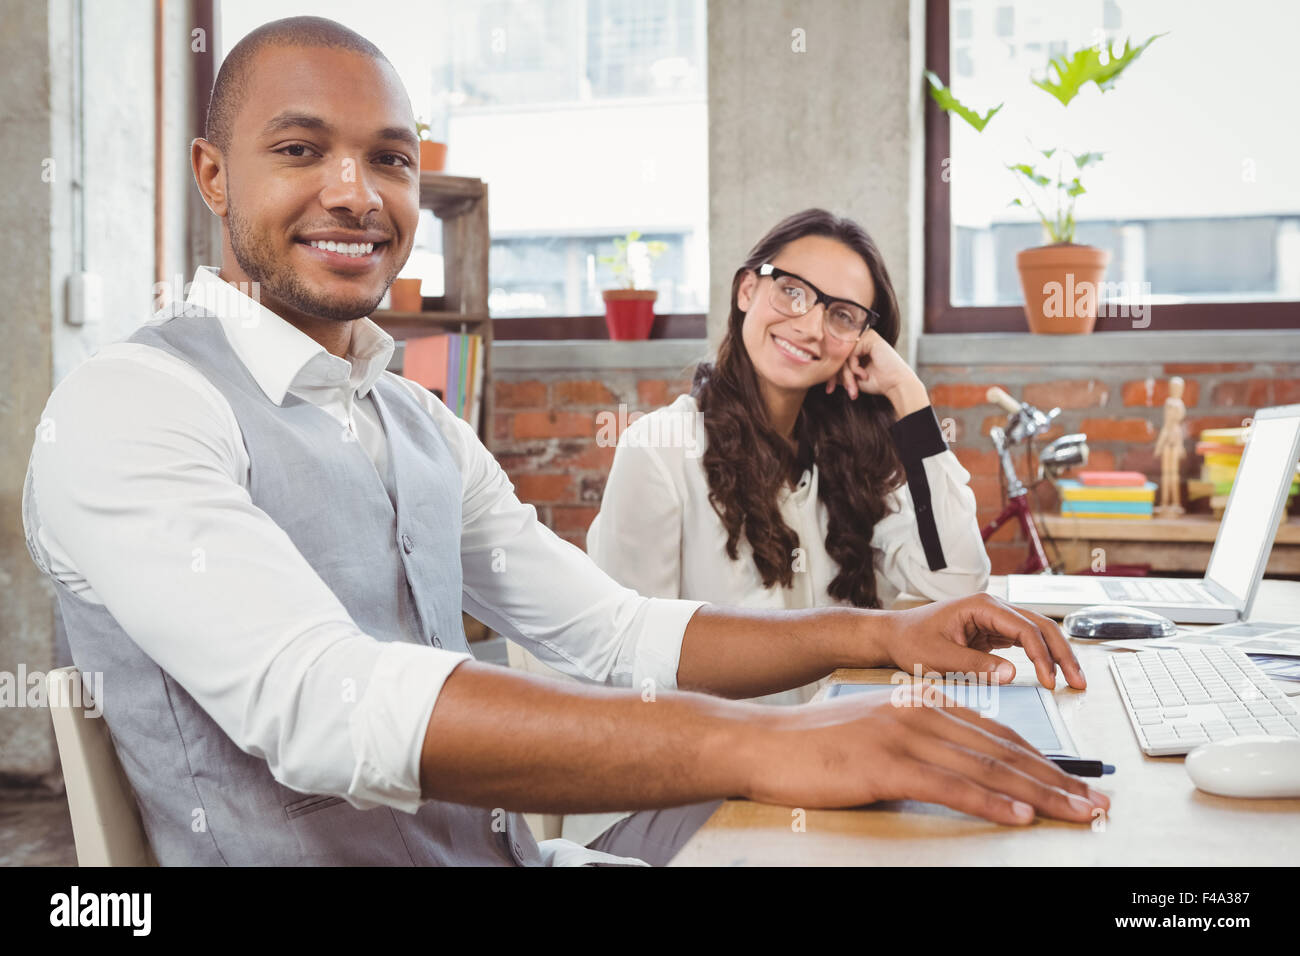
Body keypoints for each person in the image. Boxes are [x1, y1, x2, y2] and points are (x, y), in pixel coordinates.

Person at [21, 16, 1105, 868]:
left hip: (508, 851)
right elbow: (324, 701)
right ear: (214, 175)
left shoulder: (416, 419)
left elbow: (616, 629)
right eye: (301, 149)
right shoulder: (132, 405)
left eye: (389, 160)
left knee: (951, 831)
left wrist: (874, 641)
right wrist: (778, 742)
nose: (354, 192)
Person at [574, 210, 993, 851]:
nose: (809, 325)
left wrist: (910, 399)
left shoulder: (849, 459)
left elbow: (954, 583)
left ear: (861, 340)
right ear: (748, 291)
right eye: (792, 291)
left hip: (825, 787)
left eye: (843, 315)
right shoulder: (661, 450)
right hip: (689, 800)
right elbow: (629, 679)